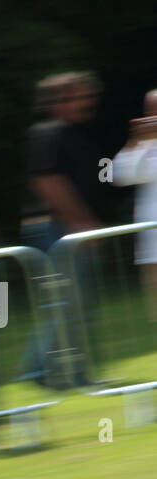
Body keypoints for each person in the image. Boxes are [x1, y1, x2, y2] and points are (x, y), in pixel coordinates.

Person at [20, 71, 110, 385]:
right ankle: (38, 372)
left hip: (64, 228)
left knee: (77, 301)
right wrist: (80, 221)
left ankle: (76, 372)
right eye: (78, 96)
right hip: (56, 229)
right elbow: (46, 180)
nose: (88, 101)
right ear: (57, 101)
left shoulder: (75, 133)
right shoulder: (49, 132)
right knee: (66, 301)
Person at [112, 88, 157, 321]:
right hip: (153, 244)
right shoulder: (143, 145)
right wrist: (135, 142)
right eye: (151, 111)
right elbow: (119, 176)